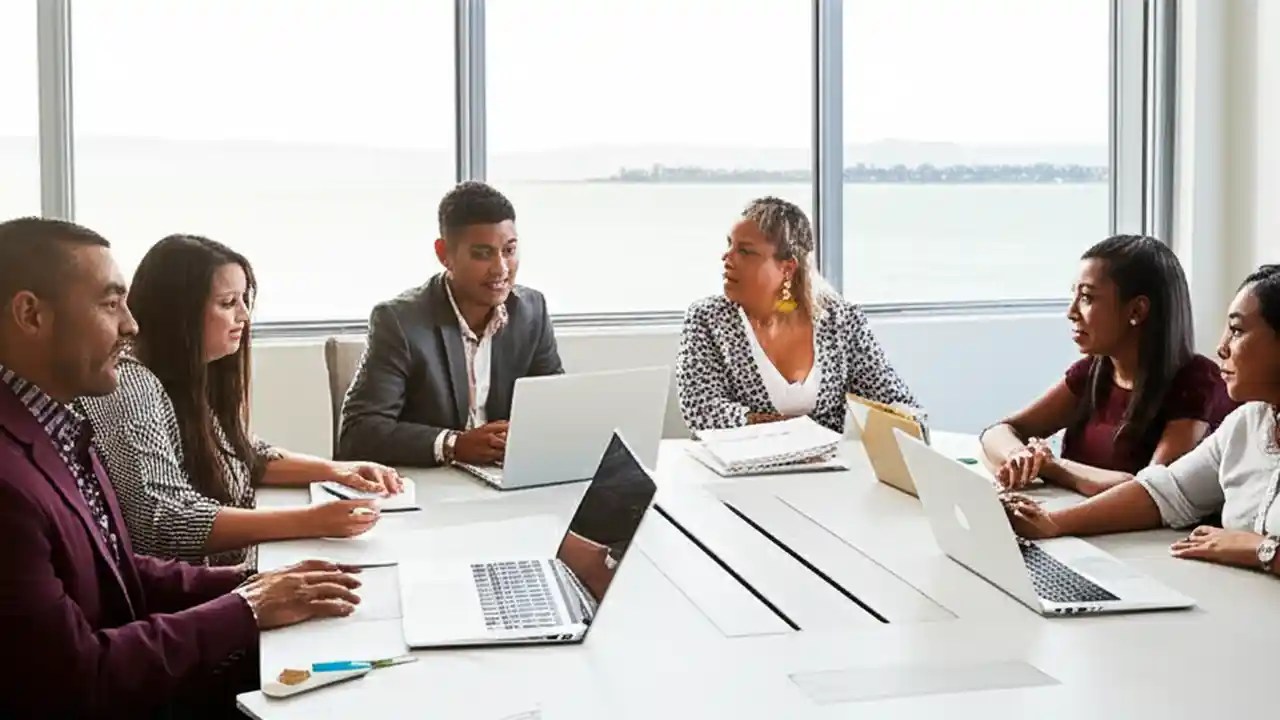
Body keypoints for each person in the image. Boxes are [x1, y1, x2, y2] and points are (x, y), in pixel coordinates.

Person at [0, 217, 365, 719]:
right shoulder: (10, 480)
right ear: (31, 314)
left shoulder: (56, 425)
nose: (130, 325)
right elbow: (73, 678)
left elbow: (118, 569)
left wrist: (253, 583)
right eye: (110, 304)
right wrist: (246, 608)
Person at [78, 235, 401, 568]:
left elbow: (243, 452)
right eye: (228, 303)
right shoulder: (130, 384)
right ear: (178, 312)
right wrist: (311, 520)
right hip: (184, 589)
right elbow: (162, 522)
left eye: (244, 300)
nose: (244, 315)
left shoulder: (189, 372)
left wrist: (338, 471)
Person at [1003, 265, 1280, 576]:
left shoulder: (1192, 380)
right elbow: (1163, 492)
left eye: (1237, 331)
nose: (1222, 347)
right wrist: (1053, 523)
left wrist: (1263, 550)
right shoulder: (1246, 424)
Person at [980, 236, 1235, 497]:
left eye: (1087, 298)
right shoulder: (1093, 371)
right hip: (1073, 516)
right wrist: (1020, 455)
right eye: (1074, 295)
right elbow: (998, 433)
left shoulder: (1196, 382)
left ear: (1136, 311)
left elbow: (1152, 491)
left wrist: (1052, 466)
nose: (1071, 312)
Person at [338, 181, 564, 467]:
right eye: (482, 254)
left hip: (505, 477)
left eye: (509, 251)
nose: (501, 269)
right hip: (433, 481)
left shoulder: (531, 311)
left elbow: (555, 409)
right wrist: (454, 445)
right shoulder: (399, 322)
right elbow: (358, 434)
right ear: (444, 254)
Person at [676, 196, 918, 434]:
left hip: (831, 458)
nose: (727, 258)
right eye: (729, 245)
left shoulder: (841, 320)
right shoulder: (706, 319)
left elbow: (894, 401)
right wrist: (793, 432)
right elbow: (701, 410)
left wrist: (909, 424)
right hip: (742, 459)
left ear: (787, 267)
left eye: (745, 251)